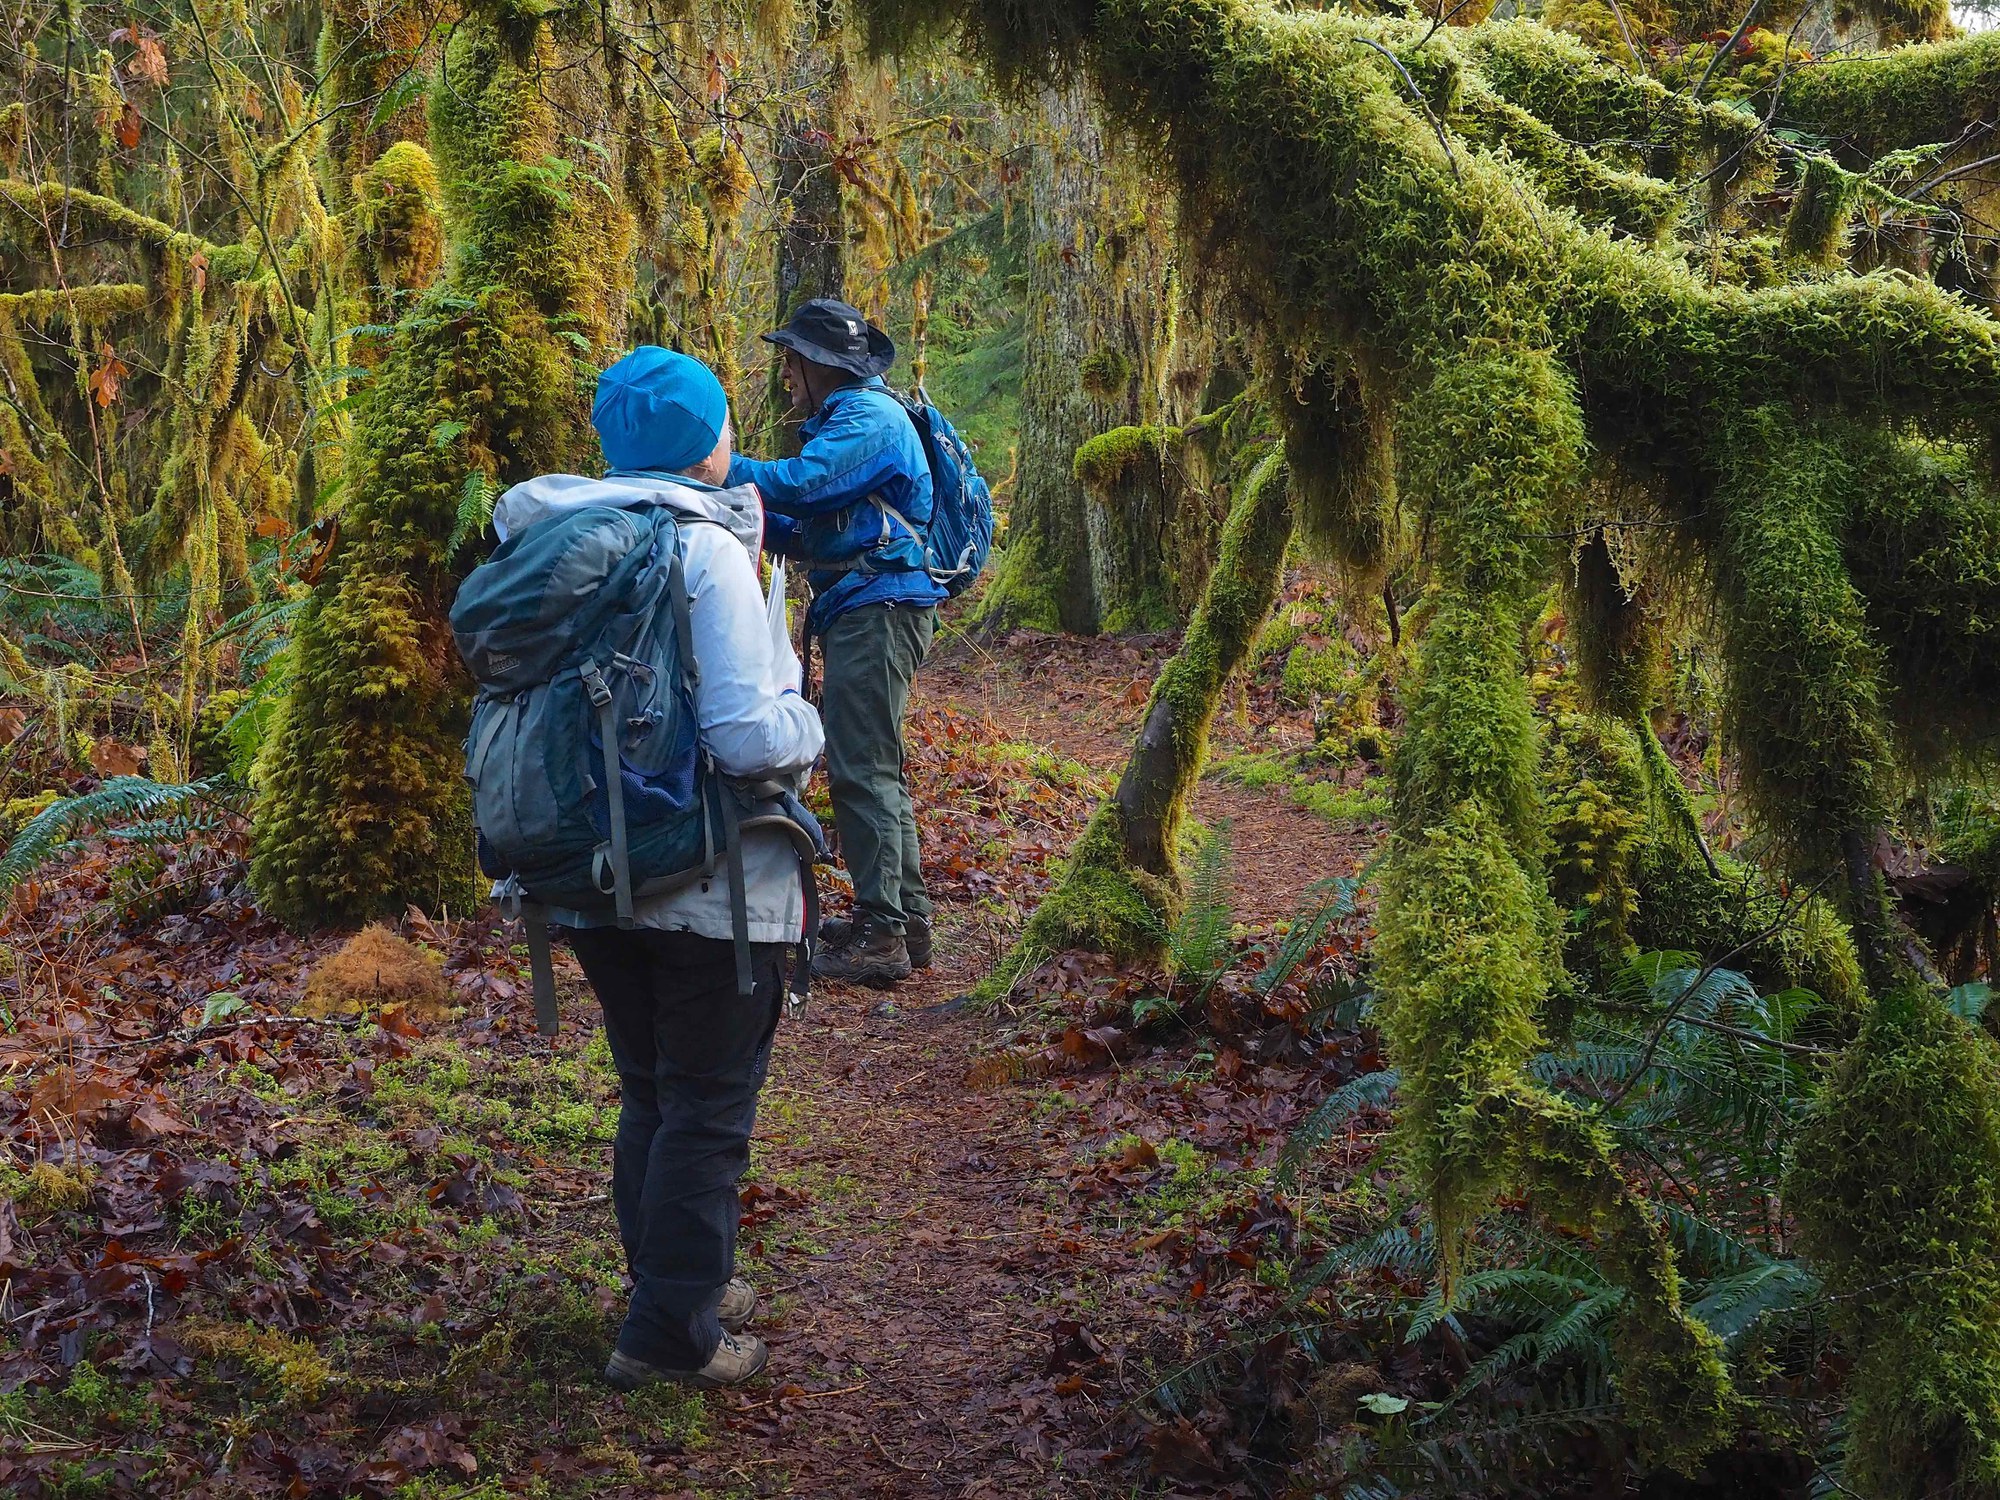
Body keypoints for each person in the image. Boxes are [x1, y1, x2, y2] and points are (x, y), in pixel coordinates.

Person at [496, 347, 823, 1390]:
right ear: (704, 440)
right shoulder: (702, 549)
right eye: (723, 424)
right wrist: (807, 718)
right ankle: (668, 1339)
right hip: (701, 878)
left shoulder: (551, 537)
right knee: (708, 1105)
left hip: (581, 873)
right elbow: (743, 739)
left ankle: (671, 1284)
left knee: (650, 1089)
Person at [727, 298, 947, 987]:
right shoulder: (854, 420)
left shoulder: (869, 420)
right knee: (873, 766)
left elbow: (808, 486)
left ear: (820, 364)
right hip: (868, 605)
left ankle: (883, 936)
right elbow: (820, 526)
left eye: (791, 358)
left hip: (879, 609)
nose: (786, 371)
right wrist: (750, 519)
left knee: (862, 770)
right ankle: (903, 922)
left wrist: (714, 467)